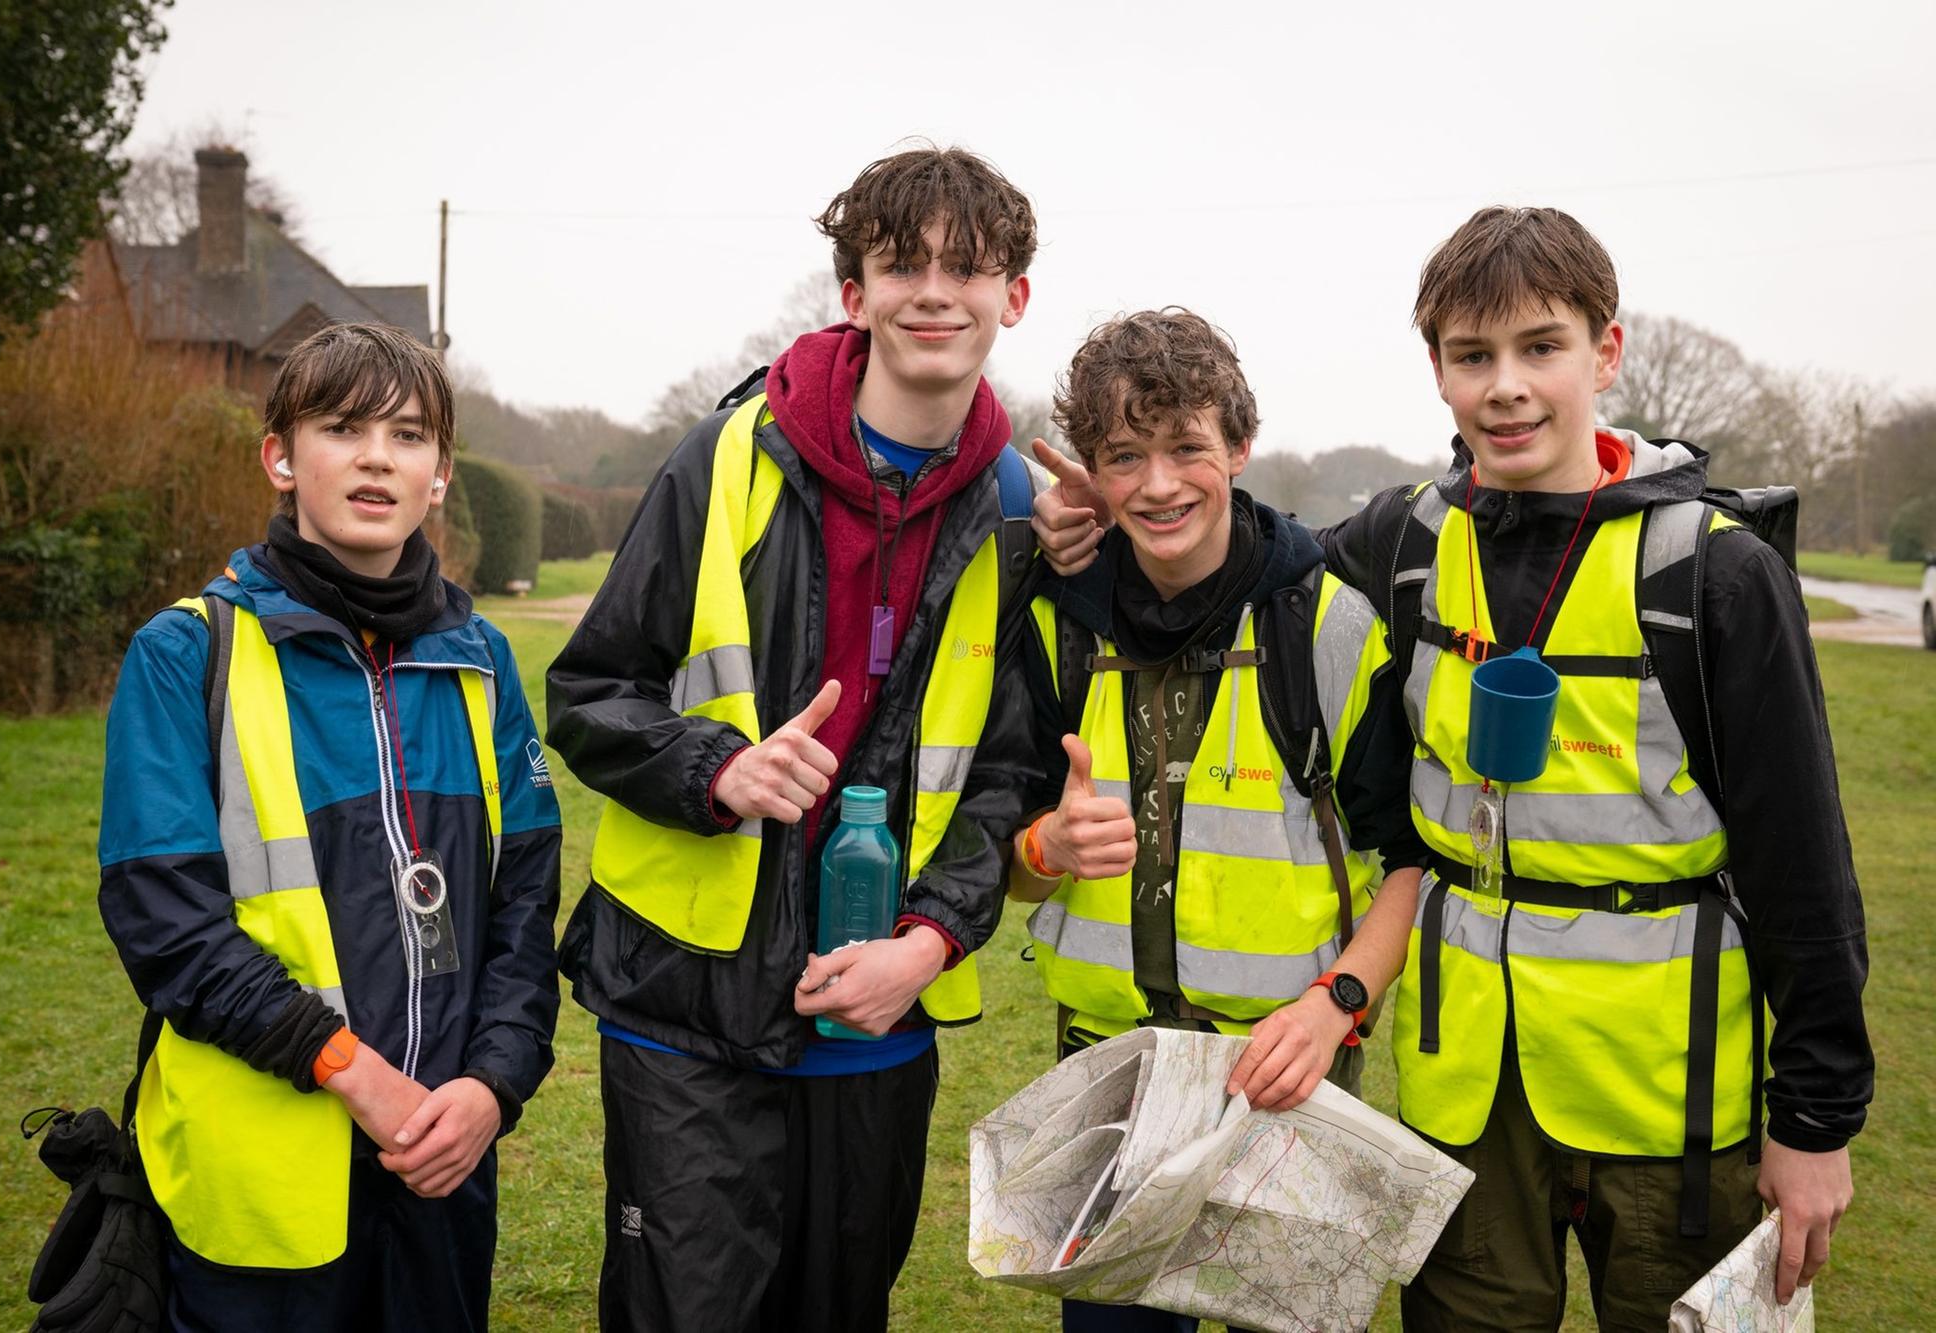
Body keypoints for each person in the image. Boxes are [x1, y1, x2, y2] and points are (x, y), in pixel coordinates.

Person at [1031, 209, 1873, 1331]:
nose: (1506, 386)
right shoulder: (1399, 544)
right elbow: (1238, 564)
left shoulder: (1713, 574)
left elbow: (1803, 865)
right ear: (1435, 371)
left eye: (1540, 348)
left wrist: (1814, 1120)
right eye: (1472, 357)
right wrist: (1090, 526)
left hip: (1670, 1106)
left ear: (1604, 353)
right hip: (1464, 1101)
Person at [547, 146, 1044, 1332]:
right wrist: (715, 767)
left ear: (1012, 297)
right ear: (851, 293)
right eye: (900, 263)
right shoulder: (722, 458)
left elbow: (1008, 776)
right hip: (686, 1008)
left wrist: (925, 947)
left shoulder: (1018, 508)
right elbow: (589, 690)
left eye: (966, 268)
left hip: (873, 1017)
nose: (934, 291)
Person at [97, 322, 563, 1332]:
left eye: (405, 435)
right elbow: (163, 923)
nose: (374, 457)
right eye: (342, 428)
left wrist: (491, 1086)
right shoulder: (186, 653)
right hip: (260, 1192)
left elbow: (525, 901)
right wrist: (351, 1071)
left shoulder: (479, 657)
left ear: (439, 473)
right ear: (279, 458)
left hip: (441, 1163)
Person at [1008, 309, 1425, 1332]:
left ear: (1236, 446)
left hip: (1290, 1082)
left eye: (1185, 447)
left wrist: (1337, 1003)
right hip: (1107, 1079)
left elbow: (1413, 857)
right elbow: (1010, 861)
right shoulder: (1056, 623)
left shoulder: (1326, 623)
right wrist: (1042, 847)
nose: (1157, 485)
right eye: (1123, 456)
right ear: (1091, 477)